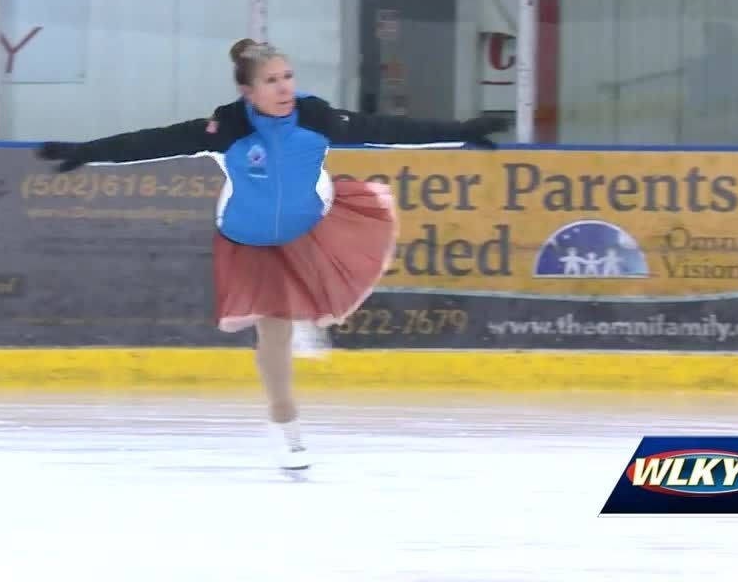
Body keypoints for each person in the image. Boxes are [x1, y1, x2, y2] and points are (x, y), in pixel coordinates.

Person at [37, 39, 509, 473]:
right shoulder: (227, 129)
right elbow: (153, 142)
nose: (284, 88)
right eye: (271, 81)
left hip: (313, 217)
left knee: (314, 269)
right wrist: (87, 152)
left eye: (288, 77)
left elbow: (387, 129)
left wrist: (462, 131)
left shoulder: (315, 117)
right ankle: (286, 427)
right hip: (251, 235)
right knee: (275, 327)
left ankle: (306, 307)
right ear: (248, 91)